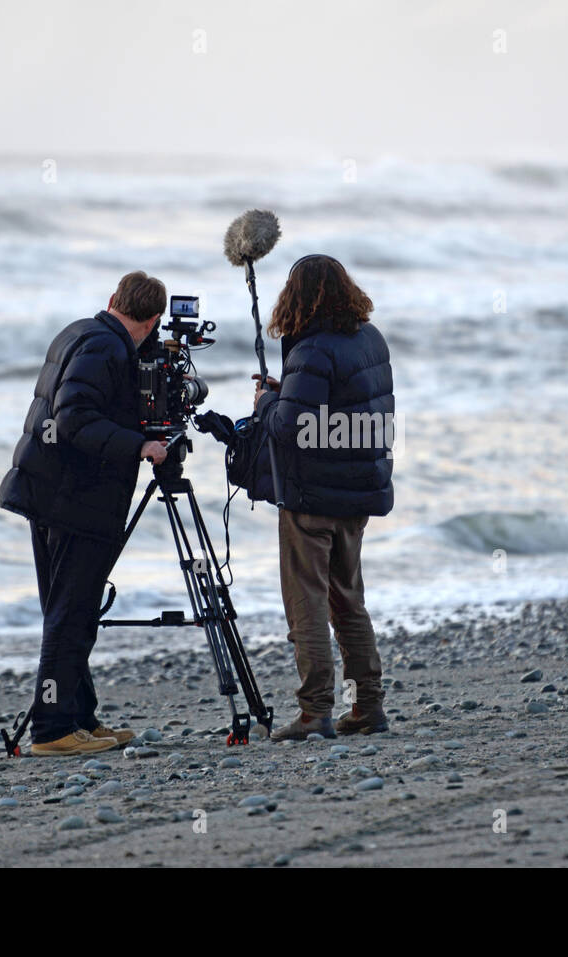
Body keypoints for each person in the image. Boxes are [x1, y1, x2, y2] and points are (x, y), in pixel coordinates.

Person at [0, 272, 169, 756]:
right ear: (153, 320)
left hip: (50, 490)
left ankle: (79, 717)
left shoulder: (80, 332)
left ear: (113, 300)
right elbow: (74, 420)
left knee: (74, 610)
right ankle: (52, 731)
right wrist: (140, 445)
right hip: (72, 499)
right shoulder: (105, 349)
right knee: (71, 613)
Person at [253, 254, 394, 741]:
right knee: (348, 599)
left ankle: (315, 712)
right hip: (358, 491)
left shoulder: (311, 350)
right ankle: (367, 705)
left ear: (298, 298)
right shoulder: (369, 338)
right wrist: (287, 391)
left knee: (307, 601)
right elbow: (341, 407)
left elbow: (291, 426)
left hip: (312, 496)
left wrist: (269, 401)